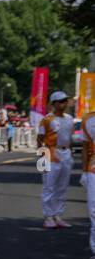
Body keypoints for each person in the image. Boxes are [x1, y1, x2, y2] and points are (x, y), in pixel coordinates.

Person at [39, 90, 75, 229]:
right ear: (53, 103)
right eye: (60, 101)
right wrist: (41, 160)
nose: (64, 104)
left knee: (62, 187)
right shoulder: (47, 119)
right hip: (49, 152)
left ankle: (58, 216)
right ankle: (48, 216)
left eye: (65, 101)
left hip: (66, 153)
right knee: (49, 186)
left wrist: (69, 153)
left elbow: (69, 137)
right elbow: (40, 139)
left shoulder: (69, 118)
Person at [82, 104, 95, 259]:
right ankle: (50, 216)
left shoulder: (69, 119)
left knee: (57, 189)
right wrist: (84, 172)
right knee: (94, 211)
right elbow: (85, 147)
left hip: (63, 157)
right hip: (93, 169)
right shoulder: (88, 119)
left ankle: (54, 216)